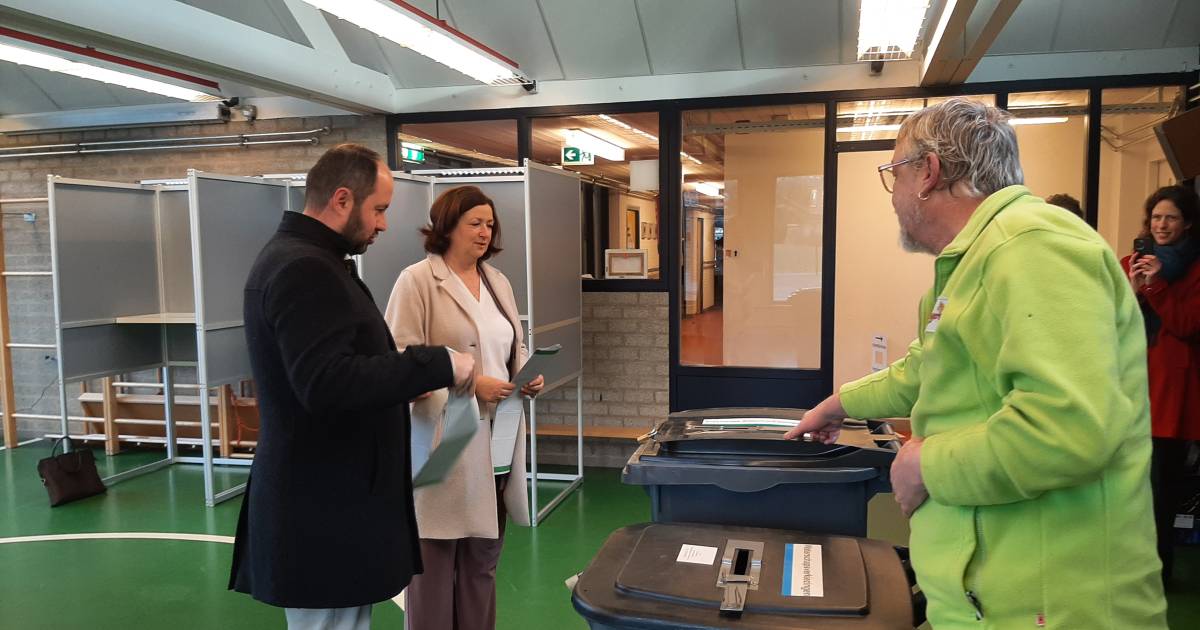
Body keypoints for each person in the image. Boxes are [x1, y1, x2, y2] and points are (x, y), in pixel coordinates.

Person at [785, 98, 1167, 628]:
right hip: (983, 596)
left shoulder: (1035, 247)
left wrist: (925, 466)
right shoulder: (975, 260)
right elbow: (928, 369)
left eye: (892, 174)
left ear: (928, 173)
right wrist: (837, 404)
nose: (893, 198)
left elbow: (1068, 429)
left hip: (1047, 606)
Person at [229, 143, 475, 630]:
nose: (383, 224)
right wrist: (436, 363)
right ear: (342, 199)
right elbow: (325, 383)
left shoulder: (313, 259)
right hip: (321, 504)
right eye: (378, 209)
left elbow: (337, 365)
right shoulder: (305, 269)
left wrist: (399, 380)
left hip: (330, 499)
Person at [385, 185, 543, 630]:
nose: (484, 232)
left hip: (501, 433)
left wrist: (525, 372)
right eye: (475, 222)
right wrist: (472, 390)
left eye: (490, 224)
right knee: (435, 561)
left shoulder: (498, 281)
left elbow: (512, 342)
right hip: (448, 435)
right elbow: (399, 365)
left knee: (482, 559)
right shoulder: (417, 281)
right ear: (447, 226)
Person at [1121, 185, 1200, 583]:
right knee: (1126, 488)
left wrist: (1156, 287)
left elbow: (1186, 324)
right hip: (1129, 391)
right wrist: (1134, 291)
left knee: (1160, 492)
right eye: (1156, 217)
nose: (1162, 225)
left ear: (1187, 223)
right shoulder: (1129, 264)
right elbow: (1111, 324)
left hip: (1171, 398)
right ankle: (1127, 567)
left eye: (1170, 217)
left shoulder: (1197, 270)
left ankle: (1157, 573)